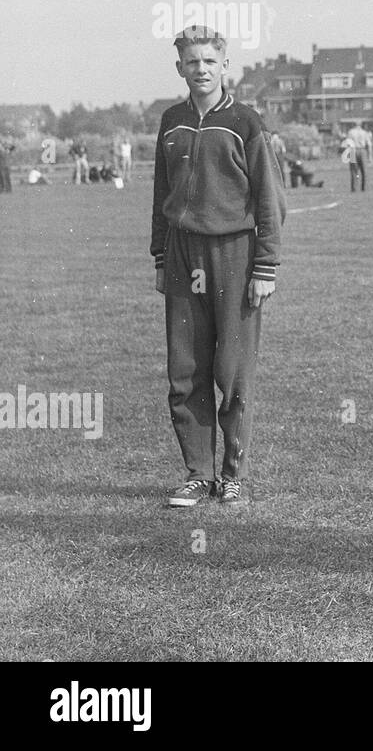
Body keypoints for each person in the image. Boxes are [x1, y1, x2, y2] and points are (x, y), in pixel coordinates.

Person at [151, 26, 286, 508]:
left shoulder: (246, 122)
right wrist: (161, 254)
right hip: (183, 253)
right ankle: (196, 473)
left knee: (232, 370)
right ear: (180, 68)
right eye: (192, 62)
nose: (201, 70)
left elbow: (270, 200)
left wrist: (265, 266)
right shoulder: (170, 121)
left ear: (224, 65)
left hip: (234, 255)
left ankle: (232, 474)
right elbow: (160, 194)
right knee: (185, 369)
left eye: (210, 61)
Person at [346, 122, 372, 192]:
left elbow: (348, 143)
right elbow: (369, 145)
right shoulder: (364, 132)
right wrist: (370, 157)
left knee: (354, 171)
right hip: (362, 150)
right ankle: (364, 188)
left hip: (352, 151)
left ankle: (354, 188)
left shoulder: (350, 132)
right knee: (364, 171)